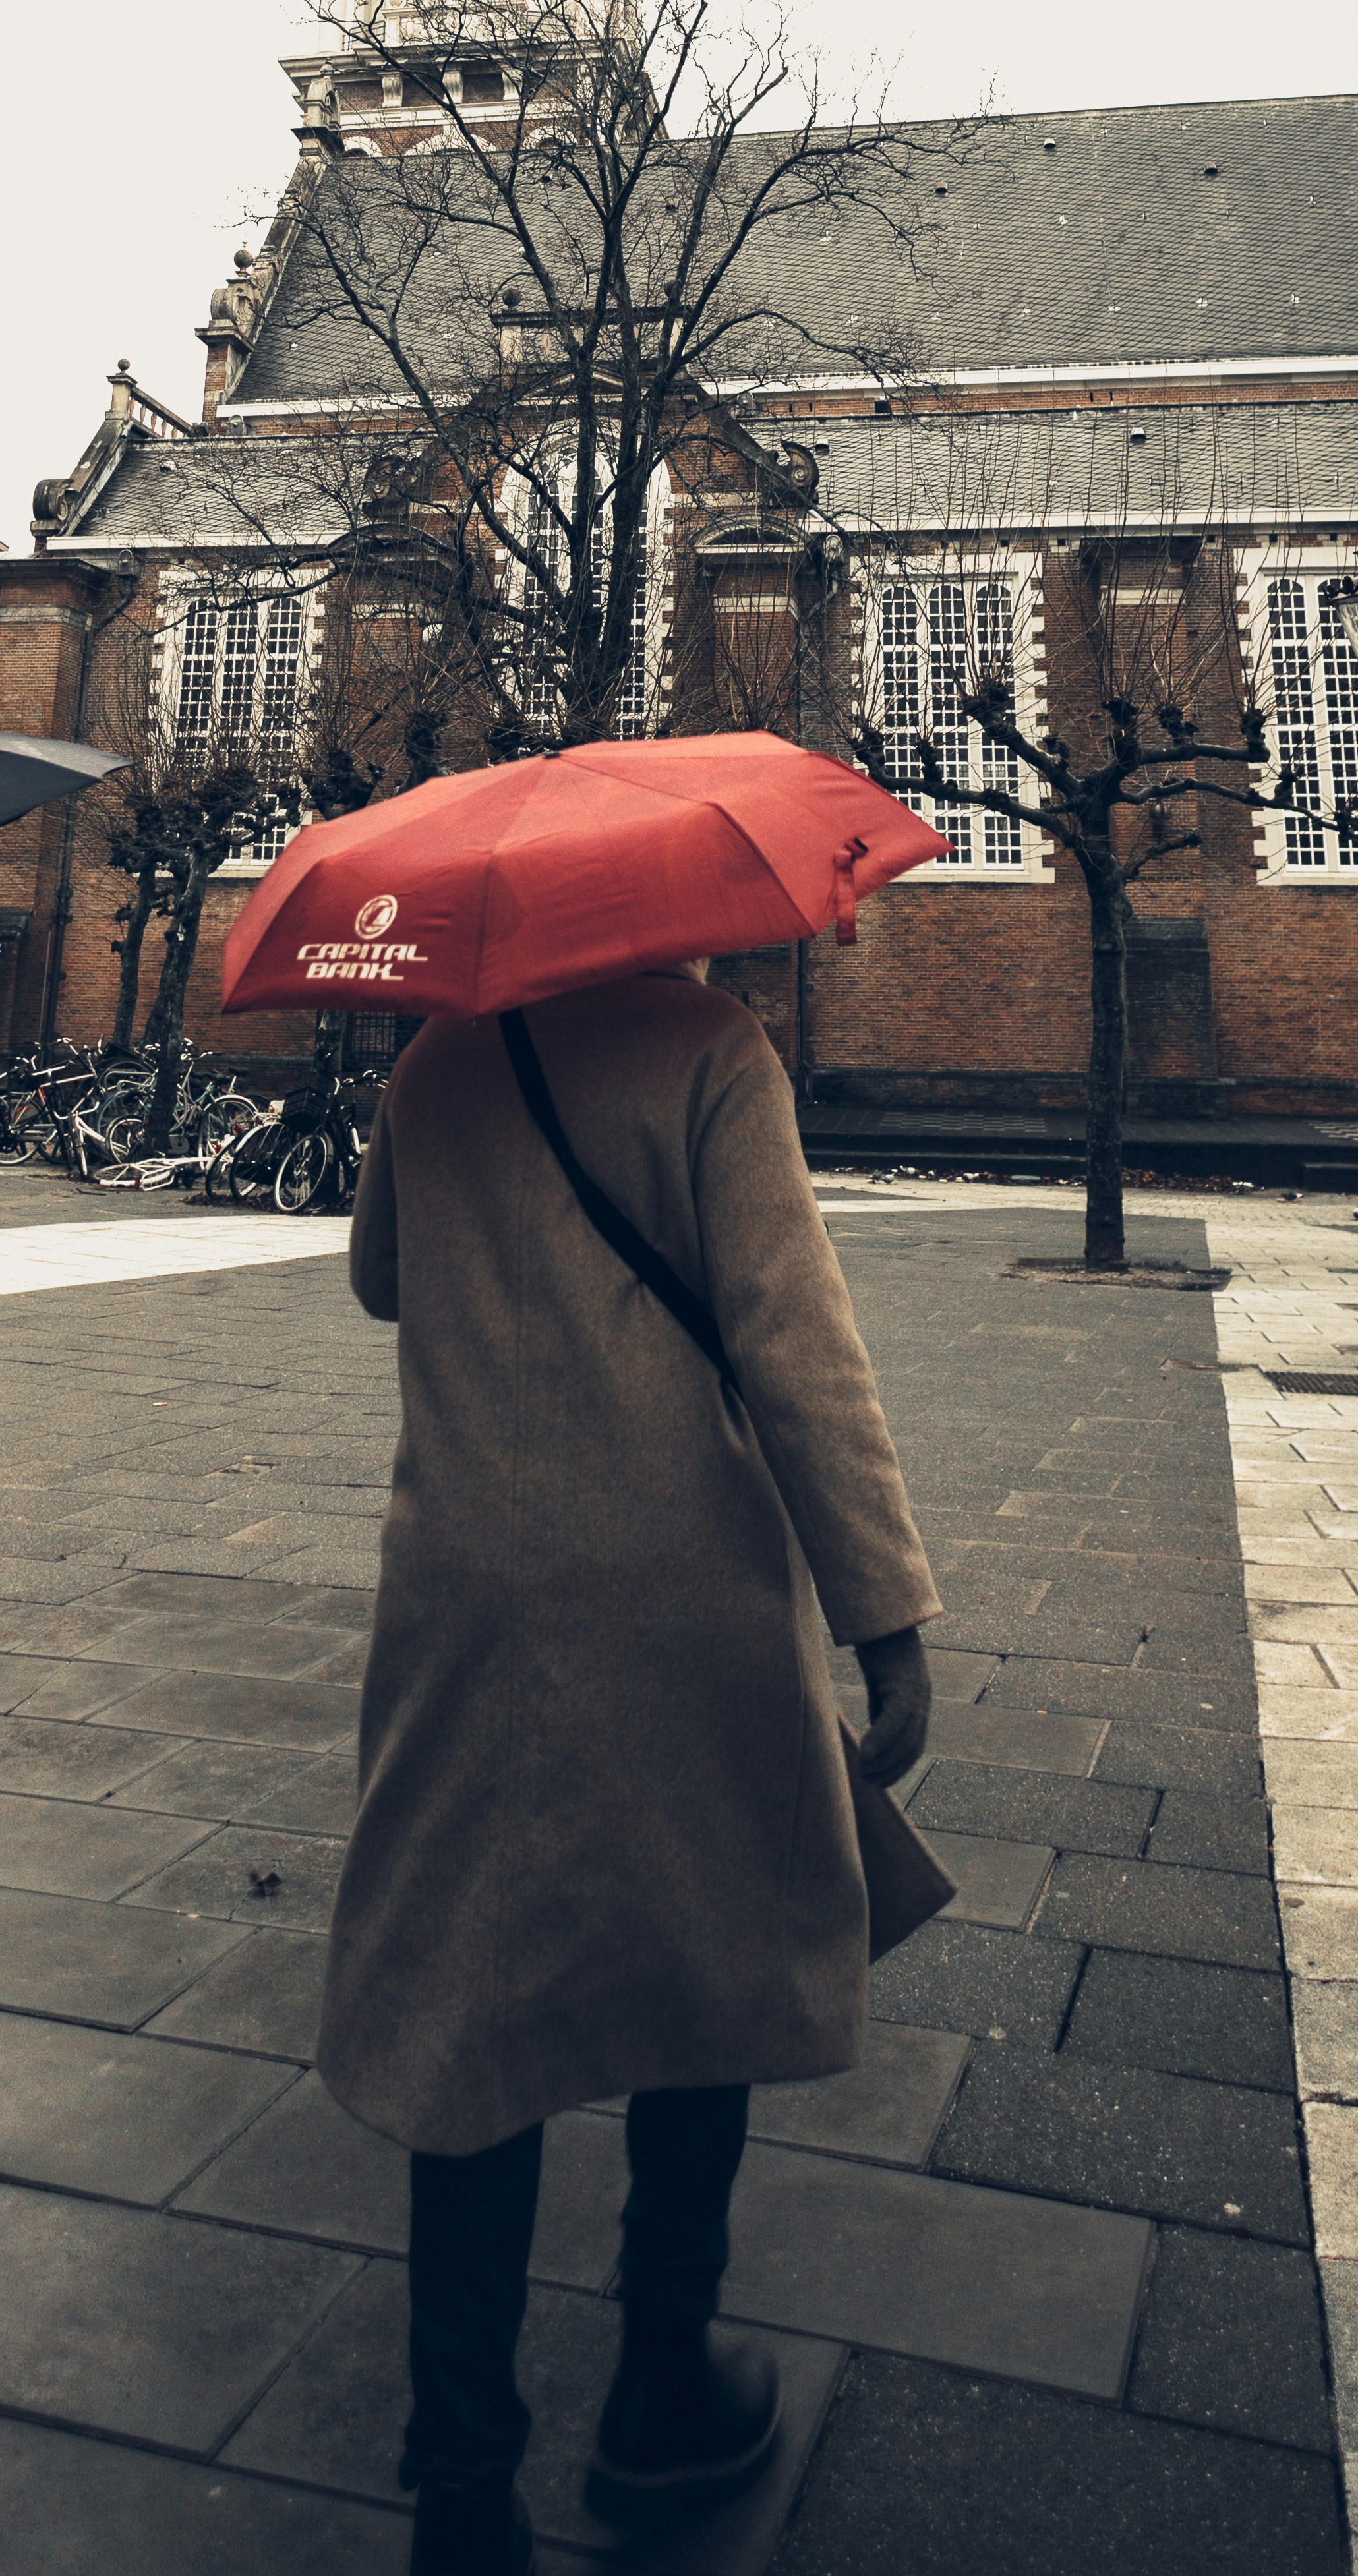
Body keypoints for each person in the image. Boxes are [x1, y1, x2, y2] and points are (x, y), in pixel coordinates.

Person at [317, 966, 939, 2575]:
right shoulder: (713, 1050)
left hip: (460, 1579)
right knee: (706, 1942)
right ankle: (662, 2383)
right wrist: (885, 1612)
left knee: (460, 2004)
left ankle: (461, 2476)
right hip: (680, 1583)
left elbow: (380, 1279)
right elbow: (796, 1342)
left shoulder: (440, 1059)